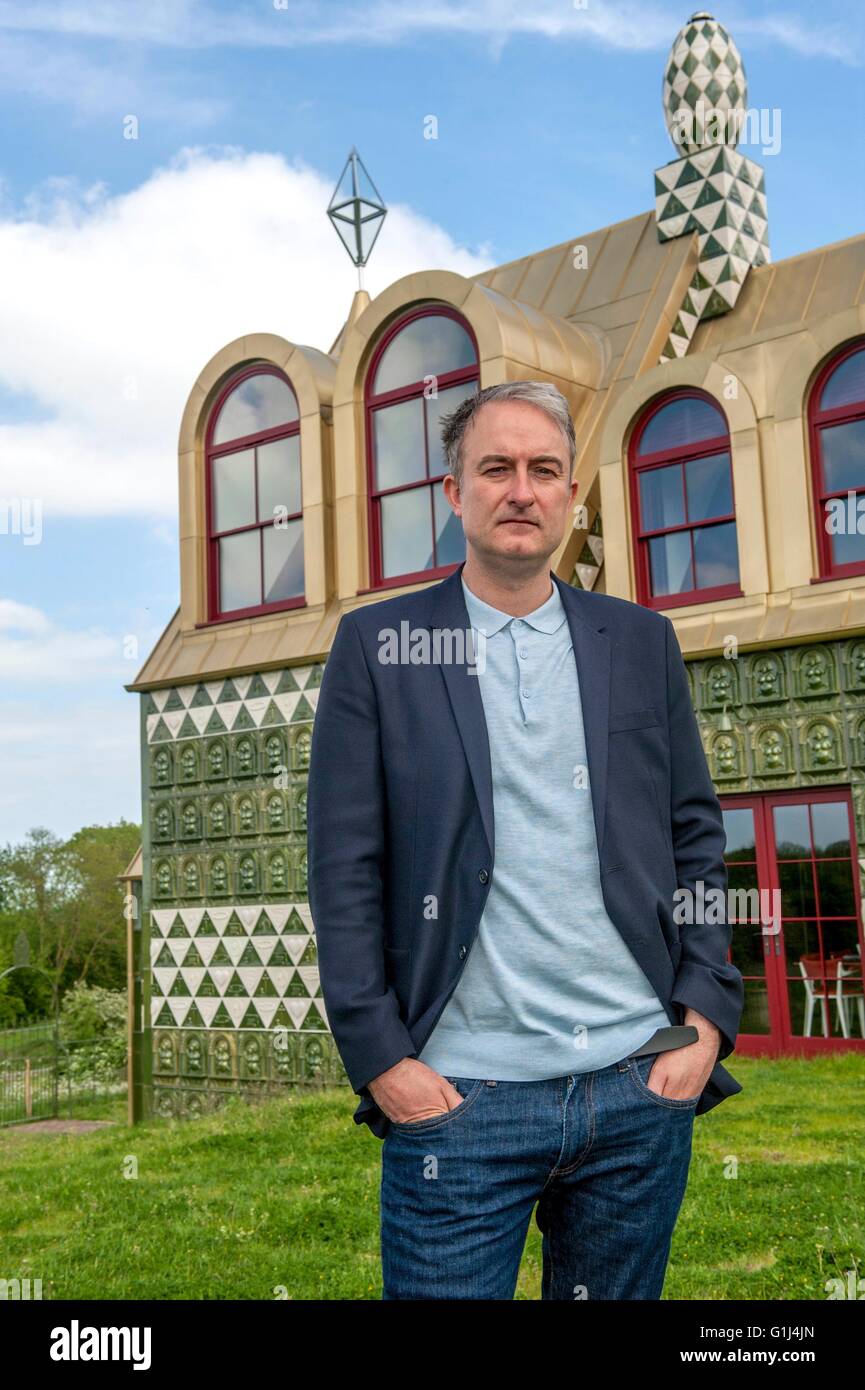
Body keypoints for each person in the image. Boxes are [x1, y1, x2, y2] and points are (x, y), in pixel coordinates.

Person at [307, 379, 744, 1300]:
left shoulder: (638, 642)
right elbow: (345, 868)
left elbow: (695, 836)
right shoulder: (378, 645)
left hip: (635, 1086)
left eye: (544, 470)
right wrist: (382, 1058)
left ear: (572, 495)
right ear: (453, 493)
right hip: (461, 1101)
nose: (521, 490)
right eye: (495, 468)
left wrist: (702, 1017)